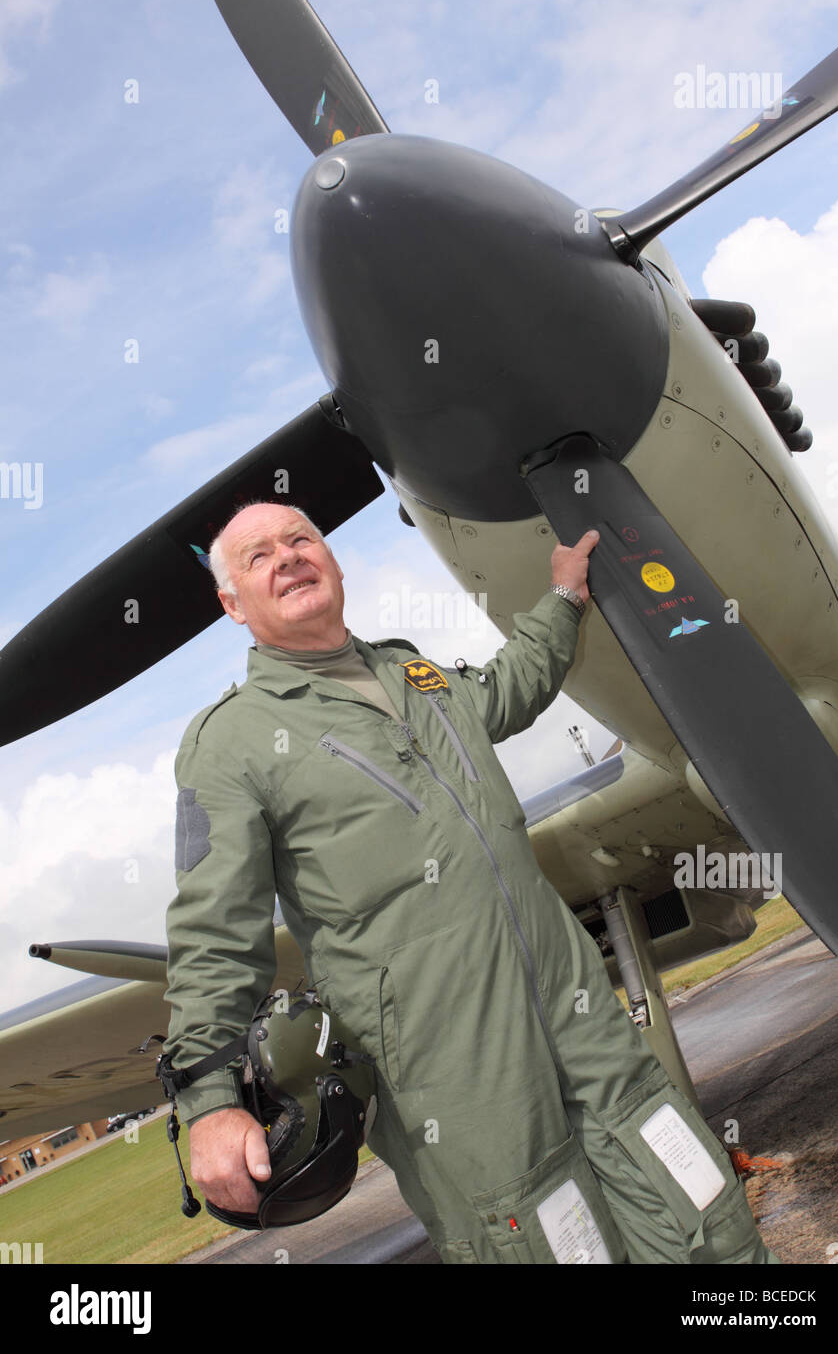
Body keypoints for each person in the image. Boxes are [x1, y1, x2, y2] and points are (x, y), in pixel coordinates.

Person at [163, 500, 779, 1265]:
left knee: (692, 1192)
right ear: (231, 605)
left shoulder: (409, 672)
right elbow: (212, 935)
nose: (287, 557)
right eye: (257, 557)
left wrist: (562, 597)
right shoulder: (229, 742)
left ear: (334, 561)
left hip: (573, 1005)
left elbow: (506, 690)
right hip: (449, 1074)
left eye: (300, 539)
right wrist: (214, 1105)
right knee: (543, 1237)